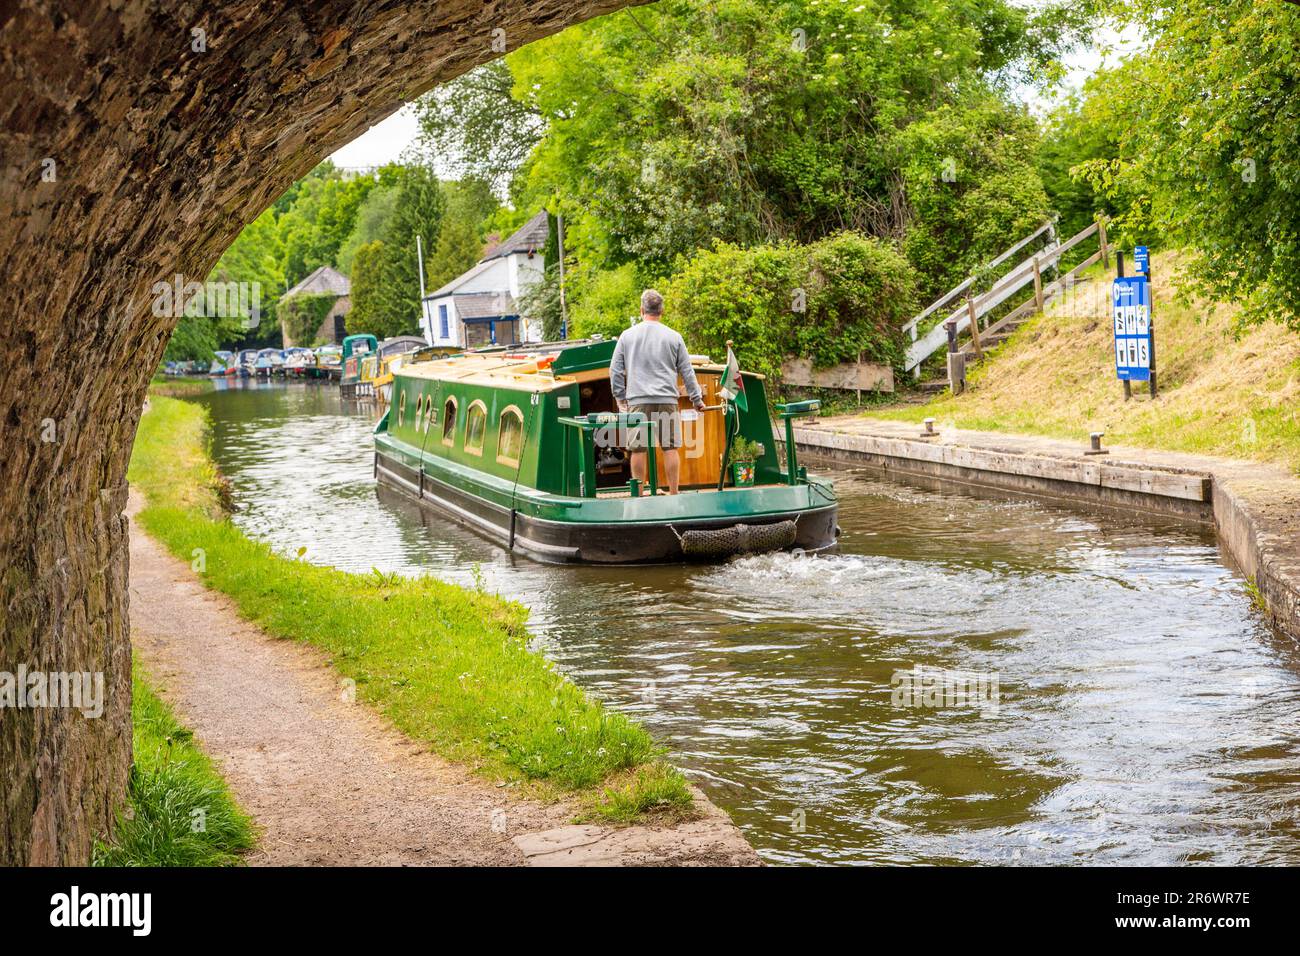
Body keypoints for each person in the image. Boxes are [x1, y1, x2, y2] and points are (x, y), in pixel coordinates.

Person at [610, 289, 704, 495]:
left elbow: (615, 370)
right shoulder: (674, 337)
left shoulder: (627, 336)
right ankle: (673, 494)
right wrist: (697, 399)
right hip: (666, 399)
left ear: (642, 309)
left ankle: (639, 494)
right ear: (661, 311)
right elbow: (687, 372)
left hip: (638, 400)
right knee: (670, 447)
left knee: (638, 448)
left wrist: (620, 399)